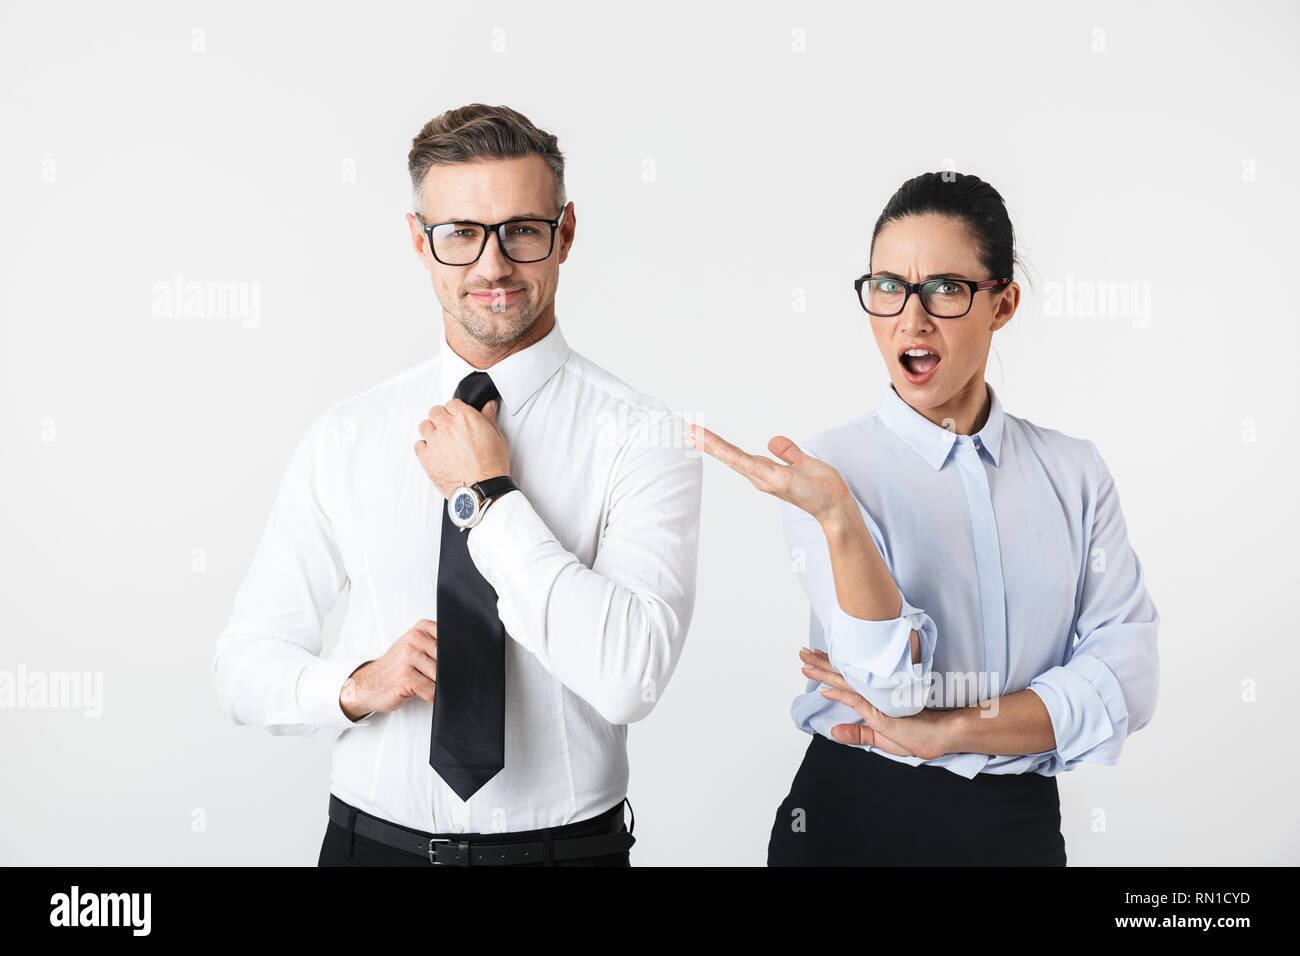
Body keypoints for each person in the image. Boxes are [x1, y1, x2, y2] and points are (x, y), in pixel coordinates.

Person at [212, 104, 702, 867]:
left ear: (565, 233)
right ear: (420, 241)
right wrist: (353, 685)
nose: (492, 265)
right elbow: (243, 665)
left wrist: (488, 493)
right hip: (368, 850)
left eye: (522, 231)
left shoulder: (644, 436)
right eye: (461, 233)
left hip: (564, 857)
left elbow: (629, 677)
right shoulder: (348, 435)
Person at [688, 171, 1159, 866]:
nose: (912, 319)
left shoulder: (1074, 471)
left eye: (945, 287)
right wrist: (843, 522)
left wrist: (954, 731)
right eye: (888, 287)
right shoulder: (825, 472)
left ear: (1003, 304)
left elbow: (1129, 677)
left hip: (1019, 829)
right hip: (856, 818)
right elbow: (891, 690)